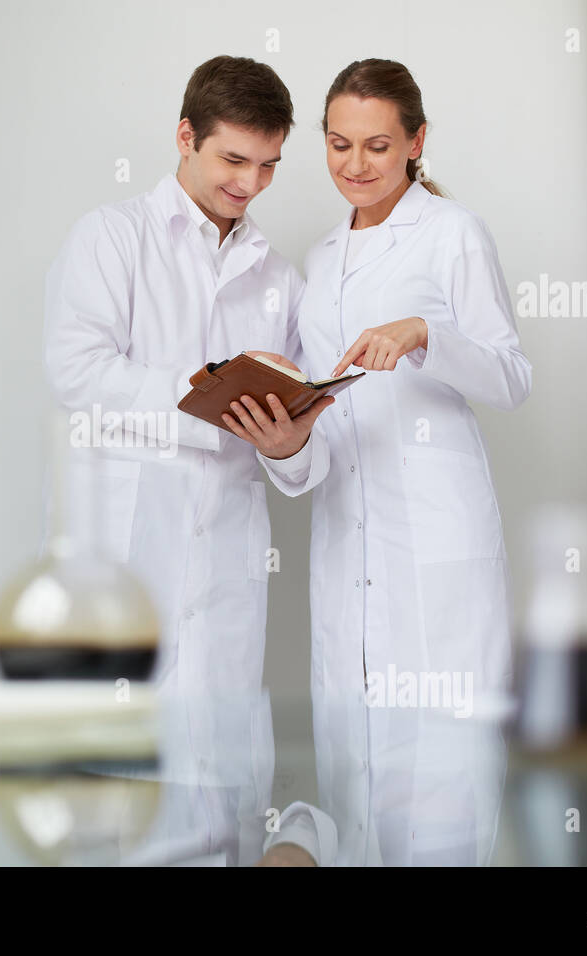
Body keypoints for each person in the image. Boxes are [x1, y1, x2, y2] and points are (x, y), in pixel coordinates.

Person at [225, 58, 532, 865]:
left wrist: (426, 336)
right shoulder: (319, 261)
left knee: (440, 777)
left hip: (436, 540)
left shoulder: (452, 232)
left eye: (377, 145)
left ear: (416, 142)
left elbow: (511, 376)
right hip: (346, 542)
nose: (355, 165)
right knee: (355, 764)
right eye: (337, 144)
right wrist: (284, 446)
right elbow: (320, 422)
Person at [43, 55, 333, 865]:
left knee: (224, 810)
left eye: (269, 165)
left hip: (228, 581)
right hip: (123, 576)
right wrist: (207, 404)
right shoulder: (112, 237)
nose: (251, 183)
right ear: (184, 136)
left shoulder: (278, 279)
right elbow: (78, 374)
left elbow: (298, 439)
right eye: (233, 160)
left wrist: (291, 443)